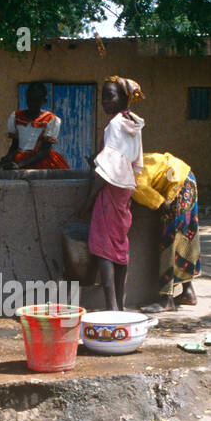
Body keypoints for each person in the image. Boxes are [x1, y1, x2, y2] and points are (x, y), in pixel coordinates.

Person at [79, 76, 145, 311]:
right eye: (103, 96)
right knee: (119, 244)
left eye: (110, 96)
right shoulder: (133, 124)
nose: (104, 101)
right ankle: (120, 302)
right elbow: (134, 161)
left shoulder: (115, 125)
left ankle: (111, 306)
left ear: (124, 98)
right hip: (125, 188)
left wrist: (88, 201)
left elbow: (106, 168)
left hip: (109, 189)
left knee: (103, 247)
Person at [131, 152, 201, 313]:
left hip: (178, 185)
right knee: (186, 237)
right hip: (187, 176)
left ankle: (166, 299)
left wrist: (164, 207)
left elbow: (152, 197)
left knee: (170, 240)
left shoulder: (132, 176)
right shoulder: (137, 160)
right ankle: (188, 292)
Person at [0, 81, 68, 170]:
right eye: (30, 99)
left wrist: (20, 165)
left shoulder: (51, 120)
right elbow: (14, 145)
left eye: (37, 100)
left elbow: (44, 151)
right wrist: (8, 157)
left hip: (41, 161)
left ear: (44, 100)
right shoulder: (16, 117)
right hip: (19, 159)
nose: (33, 103)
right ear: (26, 98)